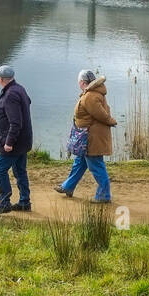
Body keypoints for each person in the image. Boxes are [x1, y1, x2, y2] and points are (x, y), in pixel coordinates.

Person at [54, 68, 115, 204]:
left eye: (79, 81)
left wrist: (111, 121)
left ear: (82, 82)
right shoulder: (93, 93)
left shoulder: (90, 96)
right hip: (87, 136)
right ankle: (68, 187)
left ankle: (104, 196)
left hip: (91, 137)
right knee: (79, 163)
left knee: (96, 165)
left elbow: (101, 114)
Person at [0, 64, 33, 215]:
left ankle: (5, 202)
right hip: (23, 141)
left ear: (1, 79)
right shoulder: (19, 88)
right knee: (20, 171)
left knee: (0, 169)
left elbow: (15, 123)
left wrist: (8, 142)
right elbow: (28, 103)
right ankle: (24, 202)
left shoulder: (9, 95)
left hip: (13, 143)